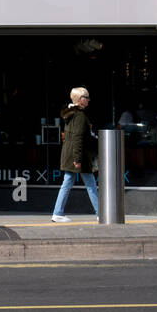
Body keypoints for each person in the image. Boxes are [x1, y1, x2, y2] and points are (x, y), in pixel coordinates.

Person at [52, 86, 99, 222]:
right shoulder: (79, 116)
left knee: (67, 184)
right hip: (78, 156)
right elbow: (78, 138)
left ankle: (57, 213)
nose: (89, 100)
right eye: (86, 98)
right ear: (80, 100)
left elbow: (74, 137)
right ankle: (100, 213)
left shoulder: (70, 114)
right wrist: (77, 159)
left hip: (70, 154)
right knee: (90, 185)